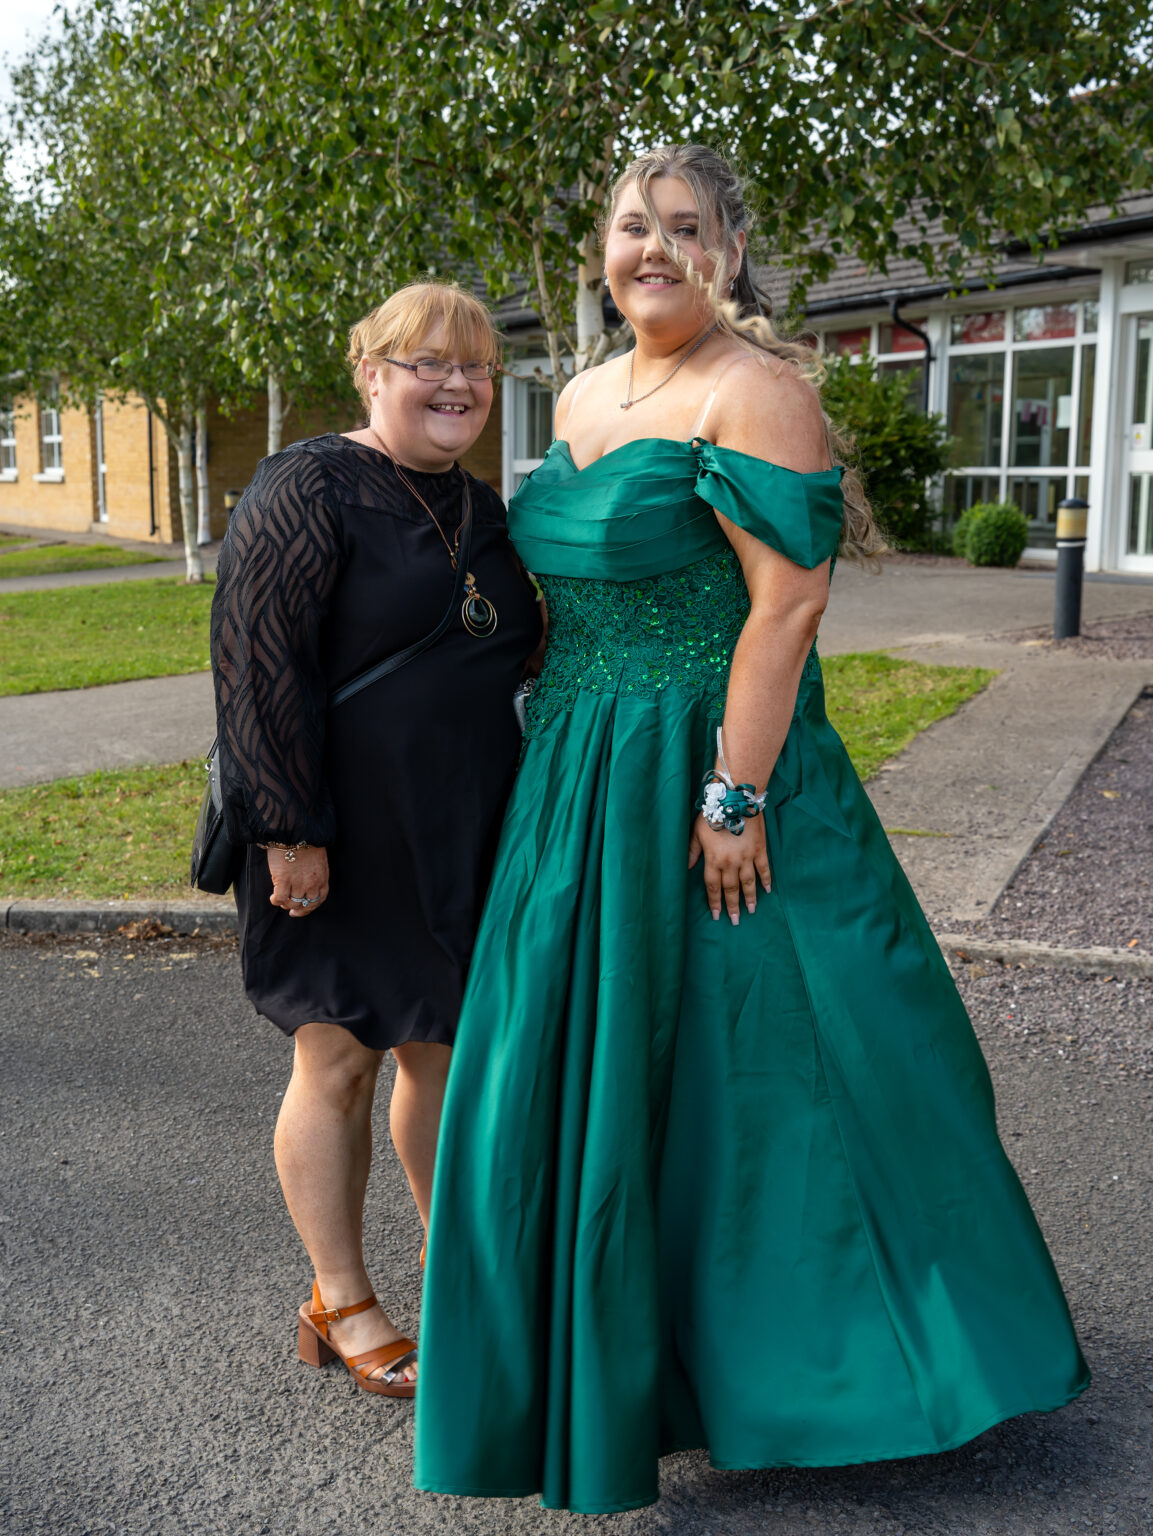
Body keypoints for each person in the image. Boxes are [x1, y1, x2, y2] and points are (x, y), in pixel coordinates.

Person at [413, 147, 1088, 1507]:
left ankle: (845, 1362)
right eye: (627, 227)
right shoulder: (587, 393)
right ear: (600, 250)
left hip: (713, 762)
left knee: (771, 1071)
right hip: (579, 774)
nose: (649, 249)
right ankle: (598, 1366)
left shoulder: (757, 391)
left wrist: (734, 798)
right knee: (573, 1074)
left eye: (682, 228)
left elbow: (783, 610)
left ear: (726, 248)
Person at [210, 280, 543, 1398]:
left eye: (474, 368)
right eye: (426, 363)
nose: (454, 384)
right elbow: (257, 664)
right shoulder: (308, 482)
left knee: (441, 1054)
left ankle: (457, 1277)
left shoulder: (483, 508)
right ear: (371, 372)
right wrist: (287, 828)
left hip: (458, 825)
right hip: (336, 829)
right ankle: (338, 1299)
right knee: (338, 1054)